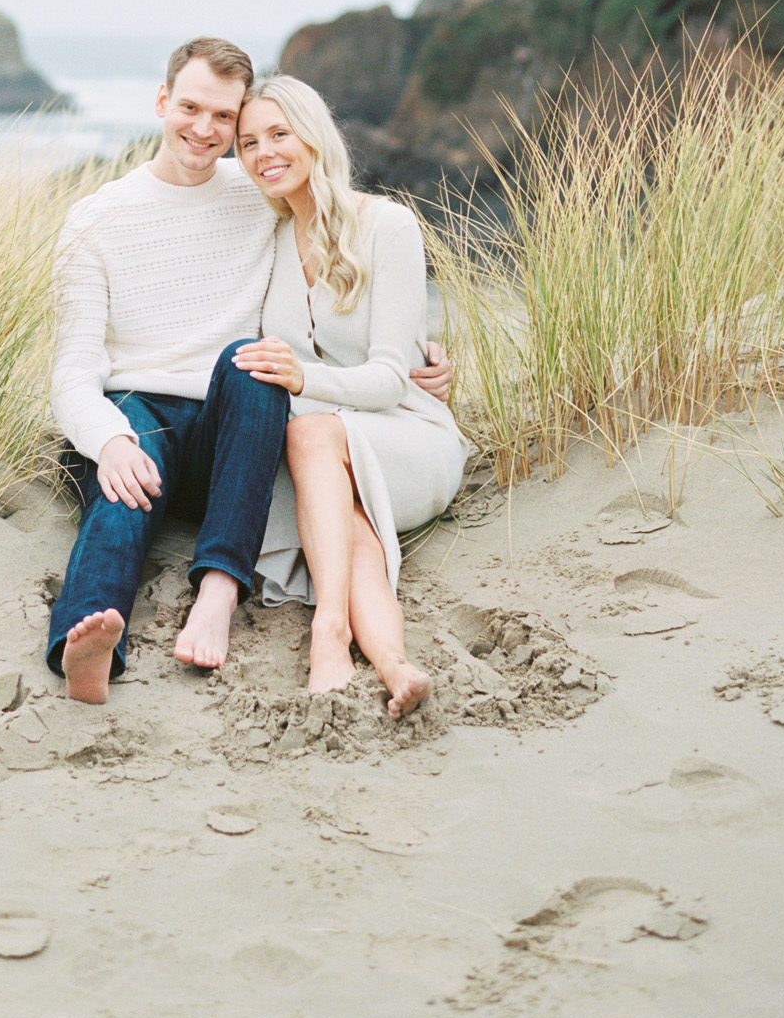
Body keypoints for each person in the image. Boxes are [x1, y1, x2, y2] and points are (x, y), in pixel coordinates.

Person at [46, 36, 452, 706]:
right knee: (121, 498)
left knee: (248, 361)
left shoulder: (259, 191)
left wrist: (423, 356)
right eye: (191, 108)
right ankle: (84, 650)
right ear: (161, 102)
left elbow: (340, 264)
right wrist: (109, 438)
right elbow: (71, 374)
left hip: (226, 431)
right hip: (134, 413)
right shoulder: (94, 221)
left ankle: (219, 589)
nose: (205, 130)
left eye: (224, 118)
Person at [231, 74, 468, 718]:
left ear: (314, 136)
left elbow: (394, 378)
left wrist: (306, 380)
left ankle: (328, 631)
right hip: (326, 457)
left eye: (279, 134)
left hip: (408, 438)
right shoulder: (268, 241)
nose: (263, 153)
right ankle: (395, 666)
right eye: (247, 142)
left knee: (311, 434)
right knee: (350, 526)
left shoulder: (387, 225)